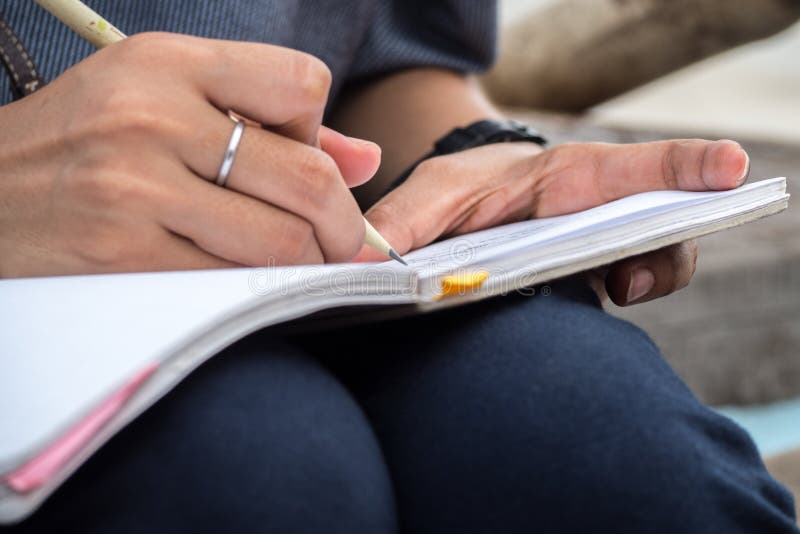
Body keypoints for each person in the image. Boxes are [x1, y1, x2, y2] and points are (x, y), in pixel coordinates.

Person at [0, 1, 796, 532]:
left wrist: (484, 153)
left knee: (625, 463)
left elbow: (384, 51)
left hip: (309, 268)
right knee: (258, 477)